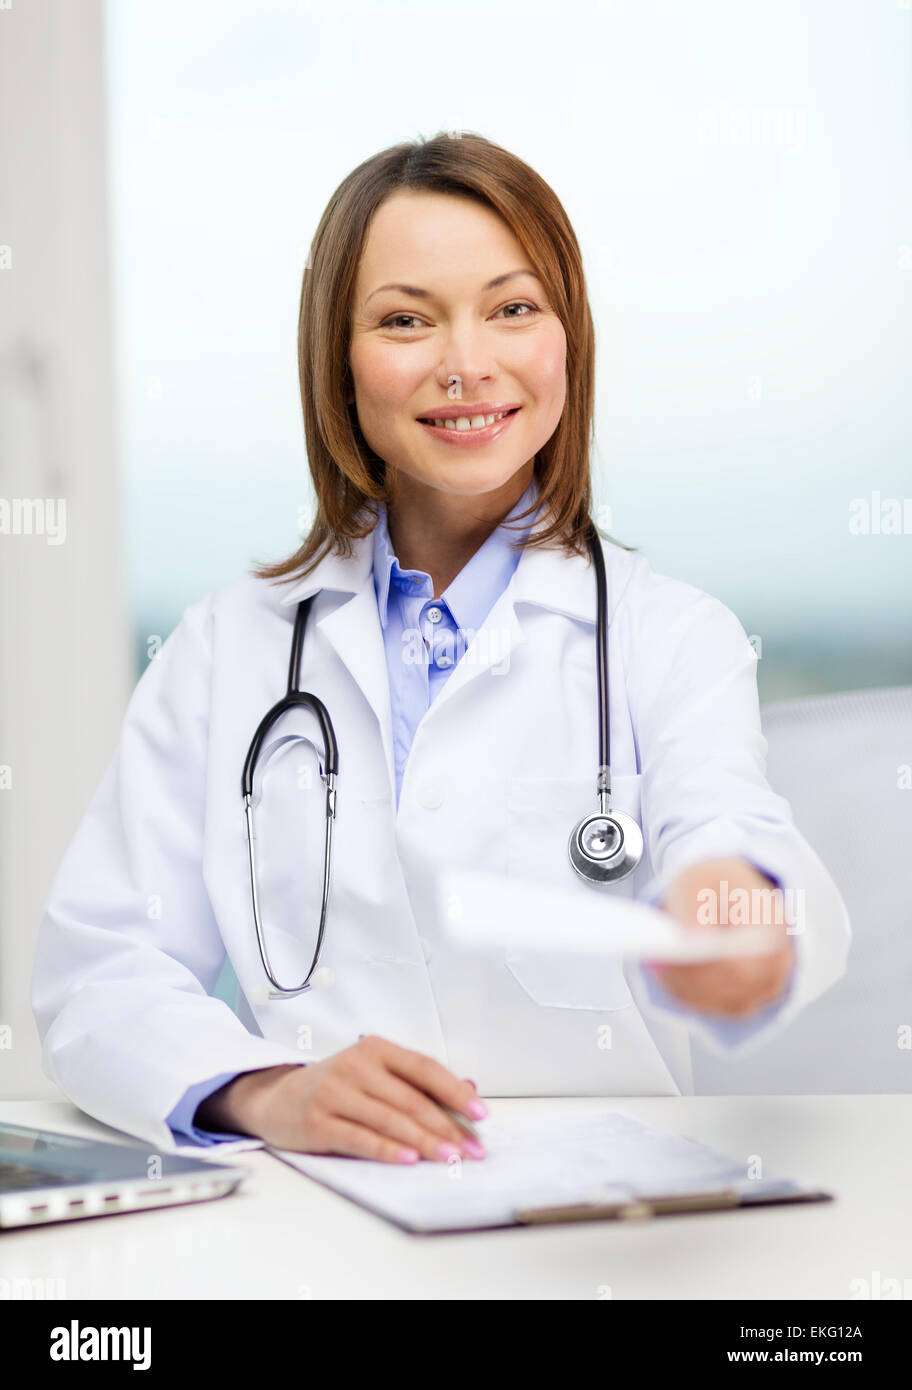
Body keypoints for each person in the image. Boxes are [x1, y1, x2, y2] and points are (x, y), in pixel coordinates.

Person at [32, 132, 850, 1165]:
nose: (467, 363)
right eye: (406, 320)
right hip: (310, 1210)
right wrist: (266, 1090)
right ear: (341, 359)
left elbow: (728, 830)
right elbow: (101, 967)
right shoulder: (222, 648)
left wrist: (734, 909)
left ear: (568, 341)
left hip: (594, 1221)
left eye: (513, 308)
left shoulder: (673, 638)